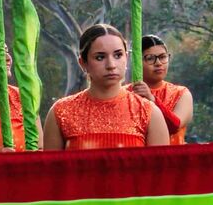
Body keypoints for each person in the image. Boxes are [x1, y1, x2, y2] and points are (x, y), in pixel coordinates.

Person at [42, 24, 171, 150]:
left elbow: (161, 170)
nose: (111, 65)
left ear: (126, 58)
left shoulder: (148, 112)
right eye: (100, 57)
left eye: (118, 55)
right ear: (83, 63)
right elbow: (52, 170)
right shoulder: (60, 113)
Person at [142, 34, 193, 143]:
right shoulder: (126, 93)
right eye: (150, 58)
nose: (158, 63)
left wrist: (152, 99)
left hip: (174, 158)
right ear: (137, 62)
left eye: (162, 57)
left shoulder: (181, 94)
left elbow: (175, 126)